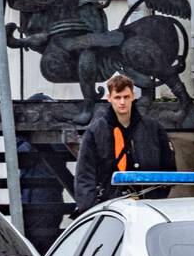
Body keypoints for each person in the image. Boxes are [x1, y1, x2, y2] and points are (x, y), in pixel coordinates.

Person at [73, 73, 177, 215]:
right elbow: (84, 176)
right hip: (109, 209)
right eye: (117, 97)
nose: (122, 102)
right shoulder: (95, 132)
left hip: (149, 208)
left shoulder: (153, 128)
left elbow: (169, 169)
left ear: (133, 96)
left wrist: (156, 198)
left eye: (126, 97)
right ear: (109, 98)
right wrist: (94, 211)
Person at [17, 93, 71, 255]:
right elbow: (20, 157)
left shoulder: (58, 135)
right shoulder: (21, 138)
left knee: (45, 248)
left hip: (48, 201)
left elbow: (62, 150)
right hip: (28, 202)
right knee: (31, 248)